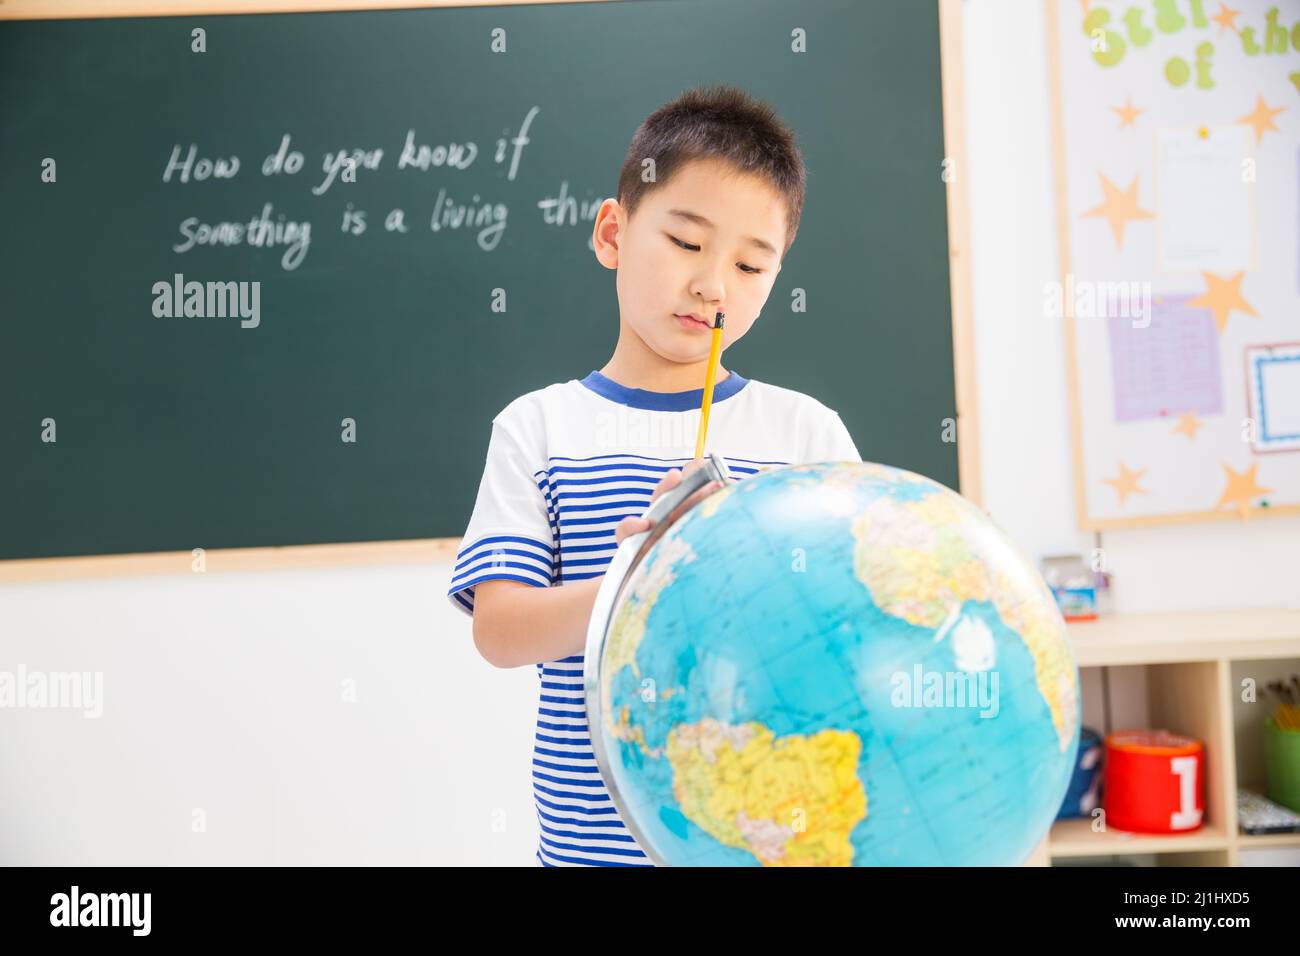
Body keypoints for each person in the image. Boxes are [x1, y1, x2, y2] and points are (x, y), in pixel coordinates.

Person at [447, 85, 861, 866]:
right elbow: (499, 631)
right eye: (686, 242)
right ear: (612, 231)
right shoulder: (539, 429)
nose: (714, 285)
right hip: (594, 850)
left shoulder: (807, 434)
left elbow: (847, 627)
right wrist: (636, 577)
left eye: (750, 263)